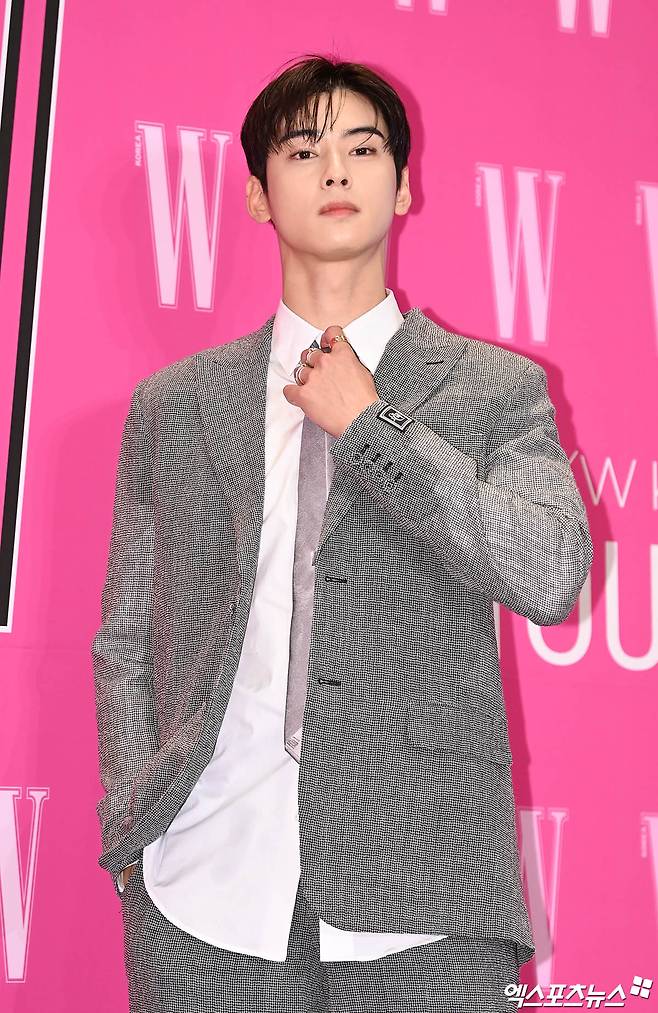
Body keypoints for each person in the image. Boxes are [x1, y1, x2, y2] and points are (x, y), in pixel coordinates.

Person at [92, 53, 593, 1012]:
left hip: (426, 884)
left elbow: (550, 571)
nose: (334, 170)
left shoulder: (495, 388)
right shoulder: (174, 404)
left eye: (363, 149)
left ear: (402, 186)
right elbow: (126, 636)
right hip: (201, 880)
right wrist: (132, 823)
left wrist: (370, 425)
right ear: (256, 194)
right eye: (302, 149)